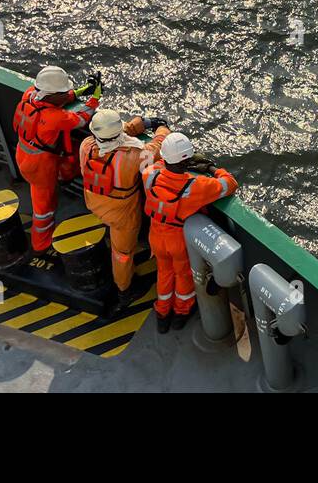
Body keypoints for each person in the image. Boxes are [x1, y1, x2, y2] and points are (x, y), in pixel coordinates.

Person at [141, 132, 237, 333]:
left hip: (156, 236)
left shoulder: (150, 175)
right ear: (187, 160)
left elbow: (156, 167)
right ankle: (181, 313)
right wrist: (211, 168)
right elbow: (230, 184)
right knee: (183, 275)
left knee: (164, 273)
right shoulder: (196, 186)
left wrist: (178, 162)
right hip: (178, 240)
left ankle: (162, 313)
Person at [79, 108, 170, 306]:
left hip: (95, 202)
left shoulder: (86, 146)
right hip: (122, 215)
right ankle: (124, 289)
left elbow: (114, 139)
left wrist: (138, 124)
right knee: (122, 254)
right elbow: (155, 149)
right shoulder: (134, 155)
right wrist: (161, 128)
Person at [13, 65, 100, 256]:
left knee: (44, 196)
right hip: (40, 168)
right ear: (51, 94)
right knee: (44, 208)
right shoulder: (54, 118)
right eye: (62, 92)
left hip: (23, 154)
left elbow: (58, 99)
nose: (65, 94)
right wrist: (95, 98)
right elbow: (81, 118)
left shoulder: (29, 95)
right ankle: (41, 245)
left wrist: (82, 91)